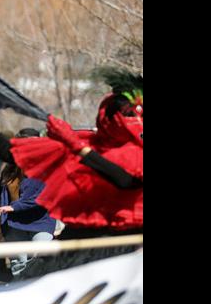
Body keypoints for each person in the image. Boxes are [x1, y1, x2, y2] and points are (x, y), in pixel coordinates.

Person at [8, 71, 142, 274]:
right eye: (129, 113)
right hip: (85, 241)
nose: (135, 121)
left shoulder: (87, 147)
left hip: (127, 245)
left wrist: (77, 146)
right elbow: (15, 157)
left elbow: (126, 181)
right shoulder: (88, 143)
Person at [0, 161, 52, 278]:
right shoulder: (9, 171)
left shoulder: (43, 171)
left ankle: (38, 291)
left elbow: (40, 198)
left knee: (39, 259)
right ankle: (20, 288)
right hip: (14, 225)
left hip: (40, 223)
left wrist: (13, 207)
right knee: (19, 263)